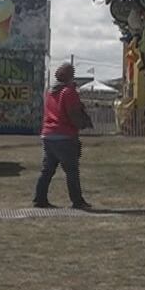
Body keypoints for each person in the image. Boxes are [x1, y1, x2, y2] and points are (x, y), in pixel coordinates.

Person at [34, 63, 92, 209]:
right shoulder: (68, 91)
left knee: (47, 170)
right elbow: (73, 113)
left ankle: (39, 199)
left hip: (48, 134)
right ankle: (77, 201)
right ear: (70, 76)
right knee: (72, 171)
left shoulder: (50, 91)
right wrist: (83, 123)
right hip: (64, 135)